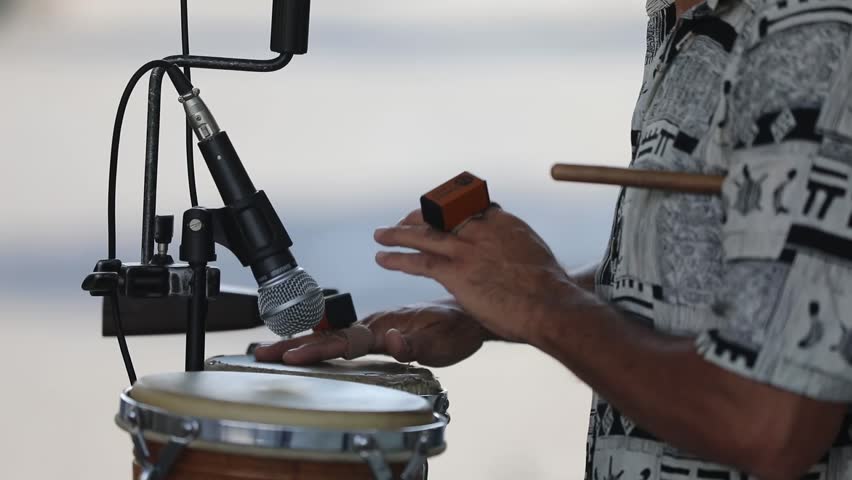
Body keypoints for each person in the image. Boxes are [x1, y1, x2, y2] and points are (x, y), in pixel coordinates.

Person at [256, 0, 852, 478]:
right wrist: (486, 310)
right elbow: (724, 273)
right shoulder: (685, 19)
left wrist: (545, 303)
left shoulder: (805, 31)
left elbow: (768, 423)